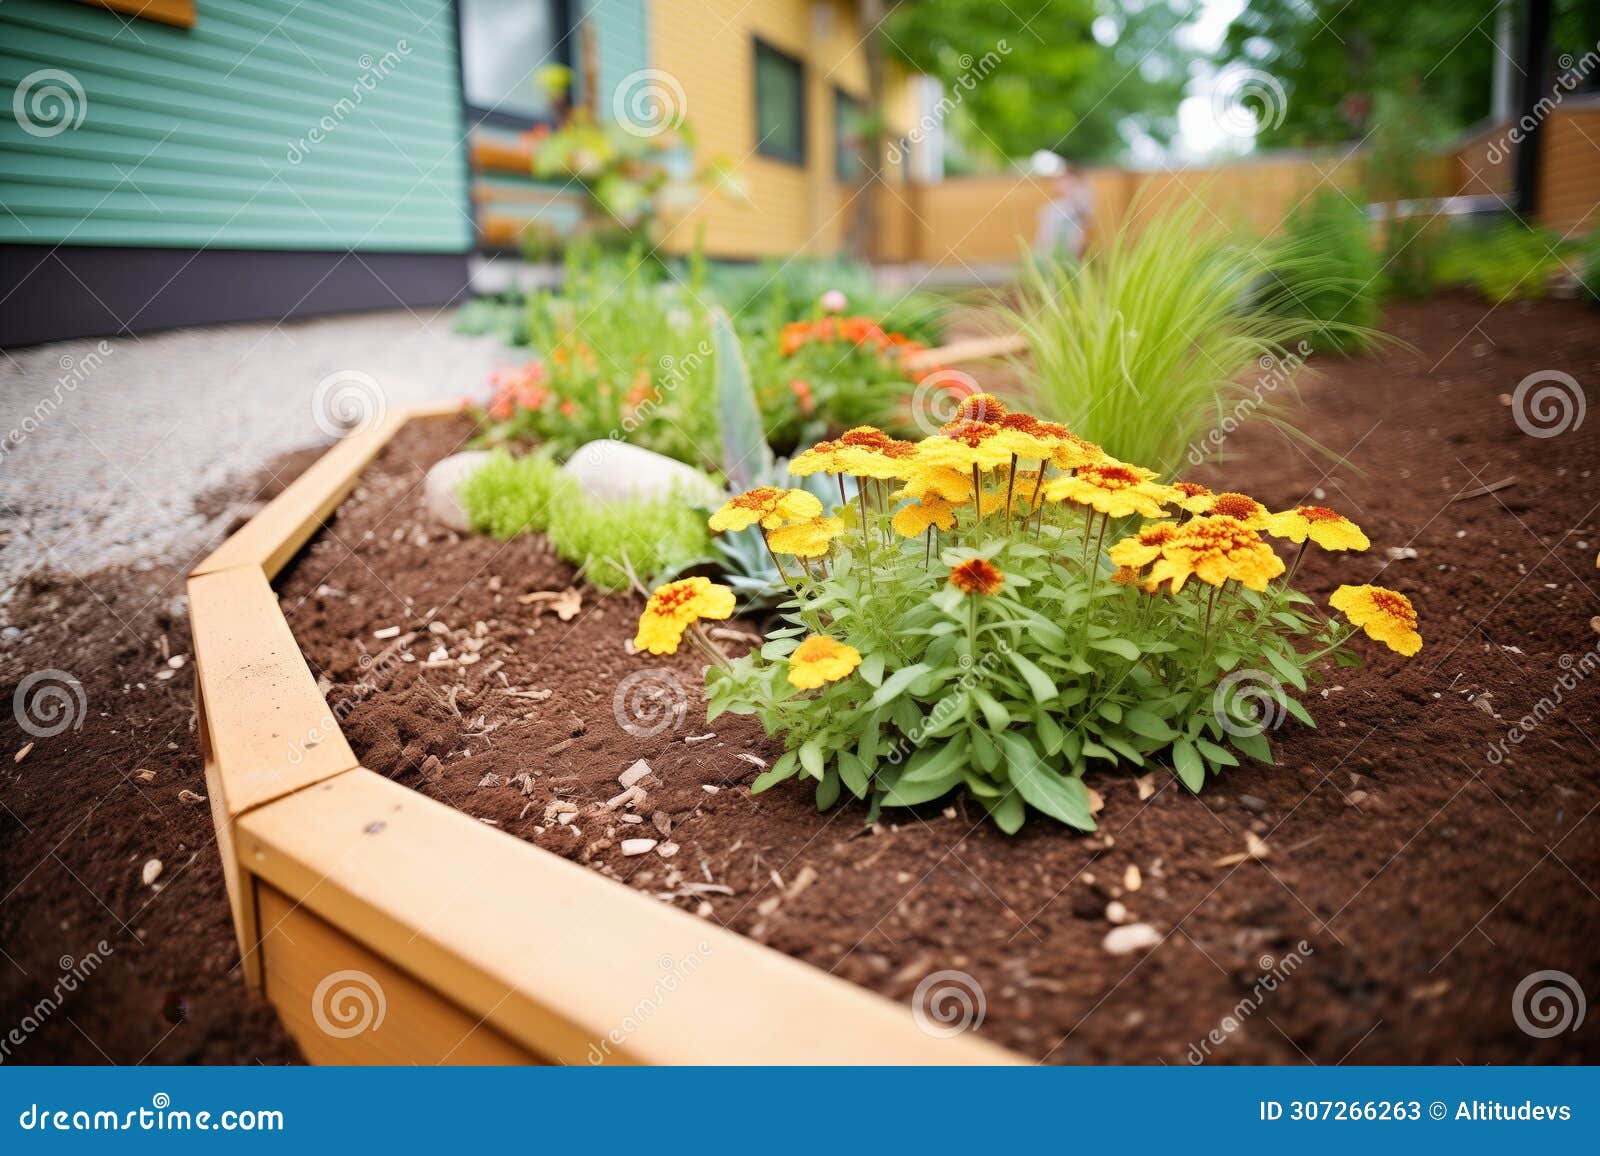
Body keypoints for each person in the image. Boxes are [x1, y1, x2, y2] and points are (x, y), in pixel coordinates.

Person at [1034, 162, 1093, 261]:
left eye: (1066, 179)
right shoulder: (1052, 206)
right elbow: (1044, 233)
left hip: (1071, 247)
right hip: (1051, 248)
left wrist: (1072, 194)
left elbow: (1086, 219)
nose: (1061, 183)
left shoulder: (1081, 198)